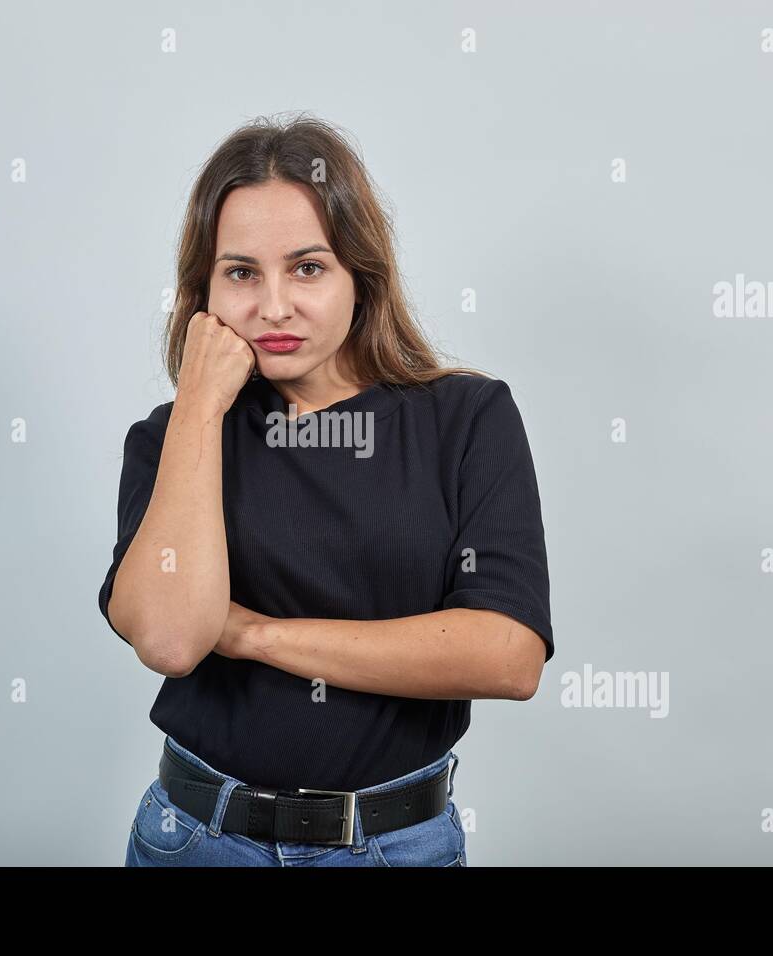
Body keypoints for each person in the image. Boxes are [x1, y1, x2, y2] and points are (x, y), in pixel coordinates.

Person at [100, 113, 554, 867]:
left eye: (307, 267)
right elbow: (174, 639)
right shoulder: (170, 440)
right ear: (205, 290)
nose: (273, 306)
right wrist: (201, 408)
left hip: (395, 846)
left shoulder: (466, 418)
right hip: (198, 842)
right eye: (241, 272)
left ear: (360, 275)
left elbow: (507, 655)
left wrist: (251, 636)